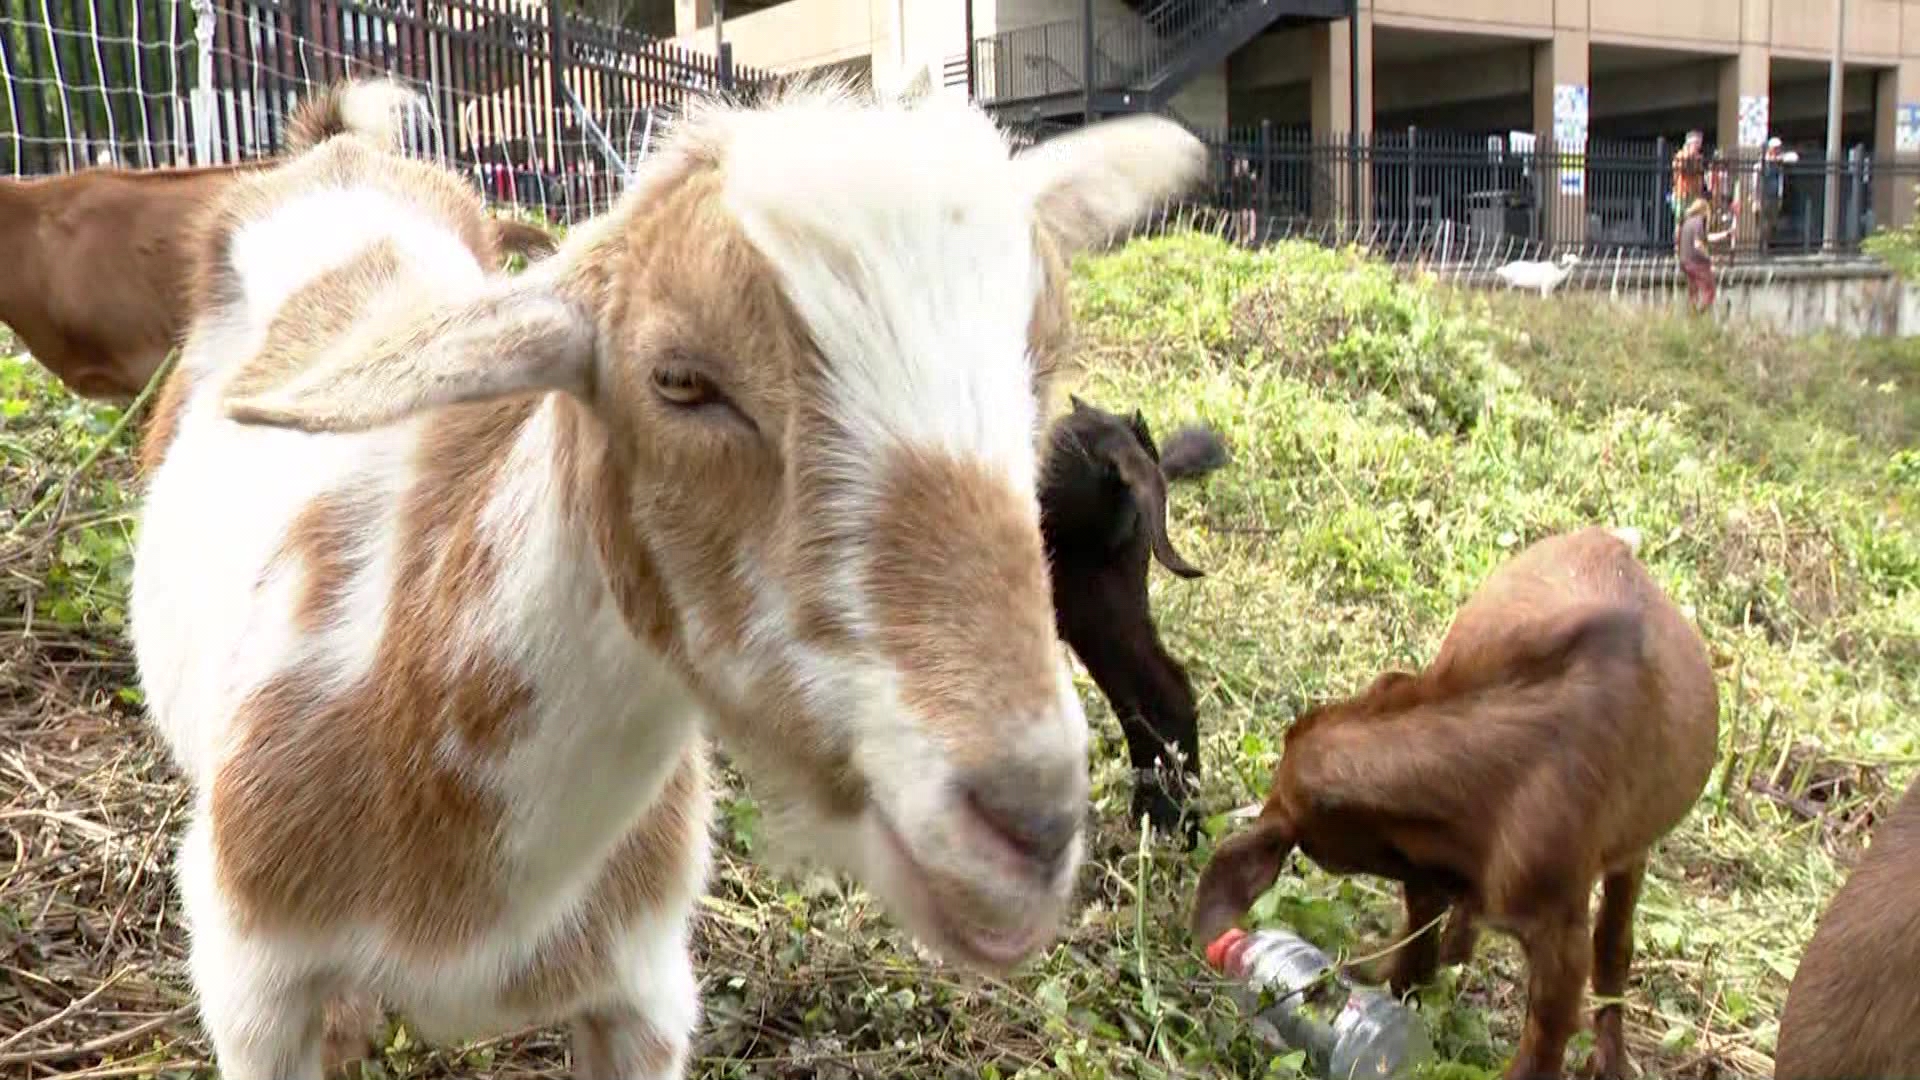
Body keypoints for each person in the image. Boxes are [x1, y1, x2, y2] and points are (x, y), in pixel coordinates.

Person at [1678, 197, 1733, 313]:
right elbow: (1698, 244)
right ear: (1704, 210)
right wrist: (1709, 258)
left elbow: (1706, 238)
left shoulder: (1688, 222)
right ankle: (1699, 315)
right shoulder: (1698, 222)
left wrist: (1724, 235)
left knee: (1693, 292)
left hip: (1685, 261)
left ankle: (1691, 316)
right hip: (1696, 262)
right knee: (1709, 290)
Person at [1751, 136, 1792, 253]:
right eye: (1775, 148)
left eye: (1778, 148)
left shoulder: (1779, 163)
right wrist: (1756, 198)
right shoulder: (1761, 164)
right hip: (1763, 197)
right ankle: (1762, 247)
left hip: (1775, 197)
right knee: (1763, 223)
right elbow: (1755, 182)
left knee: (1773, 223)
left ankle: (1768, 245)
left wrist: (1780, 158)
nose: (1777, 150)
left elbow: (1793, 157)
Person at [1671, 129, 1706, 246]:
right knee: (1680, 222)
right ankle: (1678, 248)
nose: (1699, 146)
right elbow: (1679, 170)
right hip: (1682, 194)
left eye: (1700, 143)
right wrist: (1689, 156)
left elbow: (1700, 176)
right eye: (1697, 143)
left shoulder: (1699, 158)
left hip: (1695, 195)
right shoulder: (1681, 155)